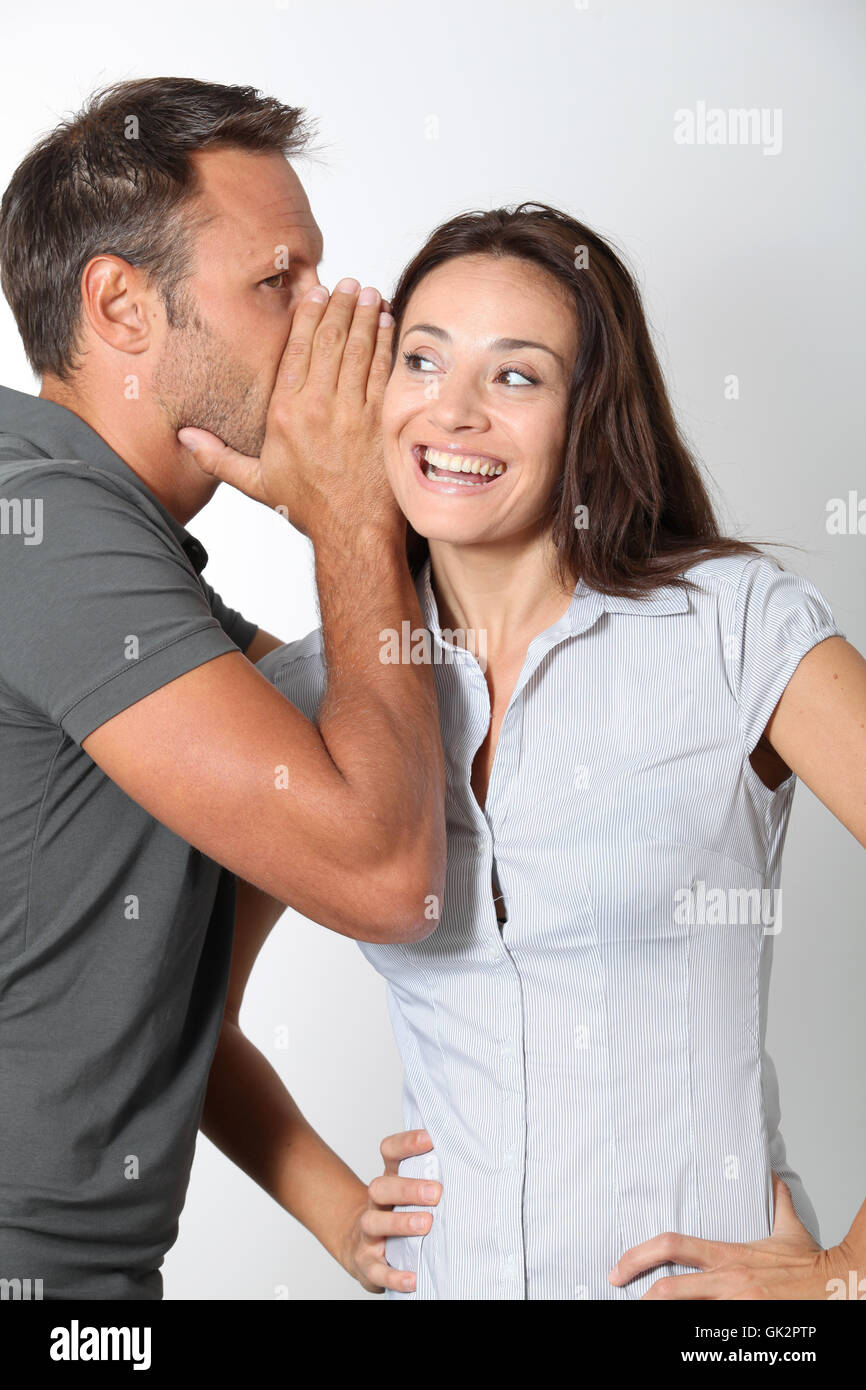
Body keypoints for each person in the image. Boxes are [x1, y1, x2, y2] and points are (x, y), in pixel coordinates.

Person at [204, 203, 866, 1300]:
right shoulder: (323, 694)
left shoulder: (735, 628)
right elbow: (185, 1020)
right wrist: (338, 1214)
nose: (452, 409)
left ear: (588, 413)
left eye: (515, 376)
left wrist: (847, 1276)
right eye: (422, 360)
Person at [0, 76, 446, 1300]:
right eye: (277, 279)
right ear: (120, 305)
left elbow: (366, 712)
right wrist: (346, 511)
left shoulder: (117, 567)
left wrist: (342, 1215)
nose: (334, 316)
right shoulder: (40, 532)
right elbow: (384, 871)